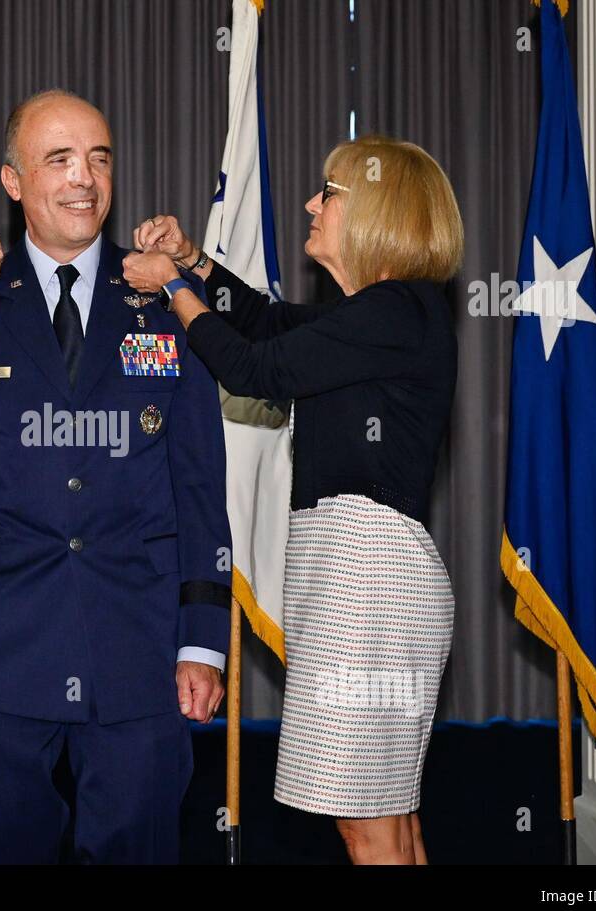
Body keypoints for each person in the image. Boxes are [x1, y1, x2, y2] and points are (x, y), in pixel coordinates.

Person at [0, 91, 232, 864]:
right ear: (13, 182)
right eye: (59, 159)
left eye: (99, 157)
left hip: (139, 647)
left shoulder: (161, 294)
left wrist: (204, 640)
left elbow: (199, 483)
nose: (85, 178)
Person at [123, 134, 462, 865]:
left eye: (330, 193)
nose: (312, 203)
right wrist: (193, 263)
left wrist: (171, 288)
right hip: (363, 575)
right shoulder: (392, 311)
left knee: (363, 823)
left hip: (367, 582)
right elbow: (264, 321)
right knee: (390, 820)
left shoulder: (397, 310)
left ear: (378, 210)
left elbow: (251, 368)